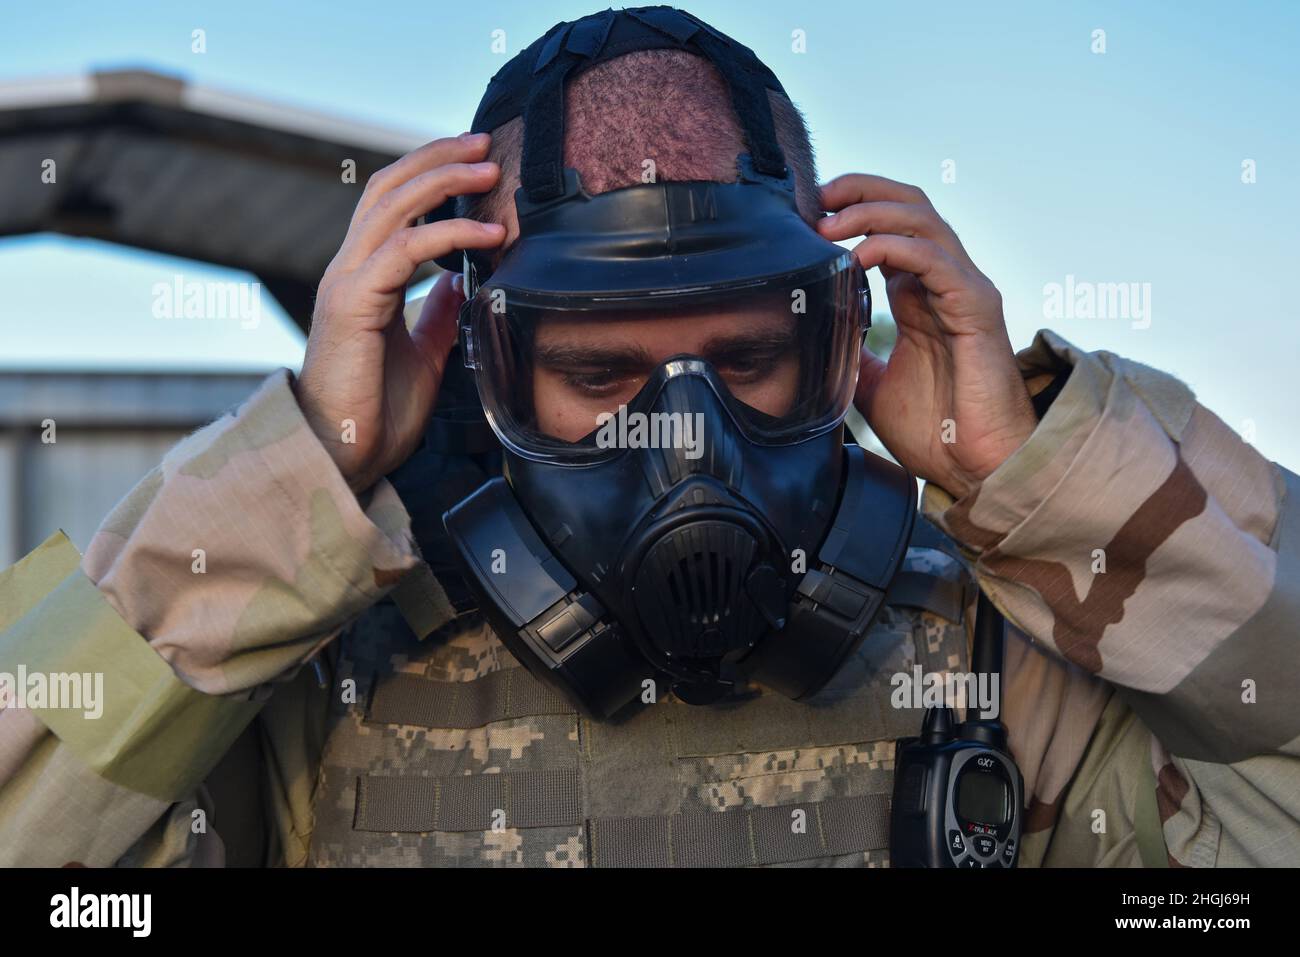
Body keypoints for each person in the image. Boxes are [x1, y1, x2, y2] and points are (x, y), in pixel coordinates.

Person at [1, 6, 1296, 868]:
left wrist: (1049, 480)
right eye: (595, 372)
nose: (689, 443)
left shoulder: (980, 664)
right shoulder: (303, 689)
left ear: (848, 350)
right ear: (482, 359)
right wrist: (298, 473)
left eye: (751, 359)